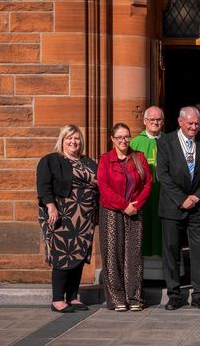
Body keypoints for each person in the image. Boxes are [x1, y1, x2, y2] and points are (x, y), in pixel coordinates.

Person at [157, 106, 200, 310]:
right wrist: (182, 199)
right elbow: (162, 174)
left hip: (198, 206)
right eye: (190, 123)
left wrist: (197, 196)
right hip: (173, 206)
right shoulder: (165, 141)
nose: (194, 127)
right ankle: (174, 294)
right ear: (180, 122)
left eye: (197, 123)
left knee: (199, 251)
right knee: (172, 250)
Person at [36, 124, 98, 313]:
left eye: (77, 138)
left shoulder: (89, 162)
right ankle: (57, 299)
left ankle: (72, 296)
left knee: (78, 255)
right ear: (62, 141)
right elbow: (44, 185)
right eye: (69, 138)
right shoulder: (51, 160)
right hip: (62, 214)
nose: (74, 142)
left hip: (84, 217)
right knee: (63, 254)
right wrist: (51, 206)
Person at [97, 123, 152, 311]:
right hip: (111, 211)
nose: (123, 141)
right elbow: (104, 187)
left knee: (133, 254)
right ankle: (117, 298)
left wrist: (135, 205)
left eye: (126, 136)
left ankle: (135, 297)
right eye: (119, 137)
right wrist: (123, 205)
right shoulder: (105, 160)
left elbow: (147, 184)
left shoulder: (139, 158)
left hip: (135, 209)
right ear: (112, 139)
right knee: (112, 253)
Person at [130, 106, 163, 257]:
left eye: (159, 120)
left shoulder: (169, 140)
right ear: (144, 121)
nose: (155, 123)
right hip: (142, 195)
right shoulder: (135, 143)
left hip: (164, 194)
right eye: (152, 120)